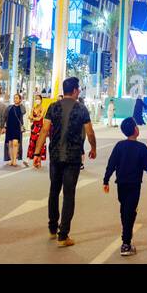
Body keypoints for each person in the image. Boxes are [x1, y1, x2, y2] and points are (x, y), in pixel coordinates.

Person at [42, 77, 97, 247]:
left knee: (53, 190)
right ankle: (63, 235)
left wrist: (37, 153)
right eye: (78, 89)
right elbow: (89, 132)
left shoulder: (53, 107)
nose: (79, 91)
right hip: (72, 157)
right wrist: (93, 148)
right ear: (74, 91)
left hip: (56, 156)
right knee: (68, 194)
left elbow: (45, 130)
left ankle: (52, 226)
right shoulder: (81, 109)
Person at [102, 116, 147, 257]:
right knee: (130, 211)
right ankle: (126, 243)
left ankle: (126, 236)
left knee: (124, 208)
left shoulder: (119, 146)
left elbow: (111, 163)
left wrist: (106, 180)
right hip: (134, 184)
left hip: (121, 184)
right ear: (135, 130)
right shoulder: (141, 148)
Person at [4, 92, 26, 167]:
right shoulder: (9, 107)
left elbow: (24, 111)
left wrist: (21, 103)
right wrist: (4, 126)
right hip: (10, 127)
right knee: (10, 144)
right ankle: (11, 159)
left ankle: (15, 160)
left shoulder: (21, 107)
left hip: (17, 127)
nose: (15, 99)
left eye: (17, 98)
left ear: (20, 99)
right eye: (14, 98)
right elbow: (5, 116)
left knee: (15, 143)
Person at [27, 94, 47, 167]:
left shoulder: (43, 108)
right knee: (33, 143)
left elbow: (39, 118)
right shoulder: (33, 108)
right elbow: (29, 117)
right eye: (36, 98)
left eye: (38, 98)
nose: (37, 100)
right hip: (34, 127)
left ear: (41, 100)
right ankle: (33, 160)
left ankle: (39, 161)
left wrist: (33, 118)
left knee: (40, 143)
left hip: (40, 128)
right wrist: (33, 118)